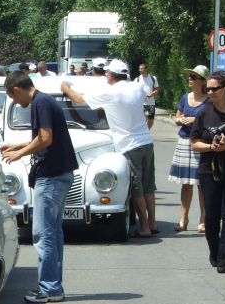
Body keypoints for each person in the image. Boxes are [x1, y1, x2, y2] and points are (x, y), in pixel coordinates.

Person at [1, 69, 78, 303]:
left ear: (17, 89)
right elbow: (42, 138)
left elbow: (46, 139)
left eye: (14, 98)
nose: (16, 102)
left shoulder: (40, 103)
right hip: (59, 173)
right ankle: (53, 286)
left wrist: (19, 155)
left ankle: (49, 288)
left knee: (43, 233)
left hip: (52, 176)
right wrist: (17, 146)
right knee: (52, 233)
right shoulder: (45, 100)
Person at [61, 59, 158, 236]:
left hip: (129, 144)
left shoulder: (110, 92)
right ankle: (152, 223)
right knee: (149, 185)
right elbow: (145, 95)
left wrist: (65, 87)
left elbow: (78, 99)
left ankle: (144, 228)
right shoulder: (137, 87)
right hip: (146, 141)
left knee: (137, 188)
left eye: (107, 73)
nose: (105, 75)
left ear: (112, 75)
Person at [191, 73, 225, 273]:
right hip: (209, 170)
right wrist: (211, 147)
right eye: (208, 89)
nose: (210, 92)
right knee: (212, 216)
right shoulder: (203, 113)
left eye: (214, 88)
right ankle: (215, 253)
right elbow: (194, 144)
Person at [169, 65, 209, 232]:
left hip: (199, 141)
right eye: (190, 76)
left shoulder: (209, 100)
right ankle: (183, 218)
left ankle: (204, 219)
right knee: (186, 182)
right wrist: (180, 120)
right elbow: (177, 117)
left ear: (202, 81)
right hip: (184, 141)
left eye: (193, 77)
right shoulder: (185, 97)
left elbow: (211, 120)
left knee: (202, 183)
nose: (190, 79)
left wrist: (194, 120)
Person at [135, 62, 160, 129]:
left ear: (146, 69)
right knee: (144, 119)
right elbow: (134, 92)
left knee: (150, 120)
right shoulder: (137, 79)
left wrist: (151, 94)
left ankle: (146, 132)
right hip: (141, 104)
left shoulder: (153, 78)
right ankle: (143, 132)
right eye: (139, 69)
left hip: (151, 104)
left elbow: (157, 90)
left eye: (141, 69)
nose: (140, 70)